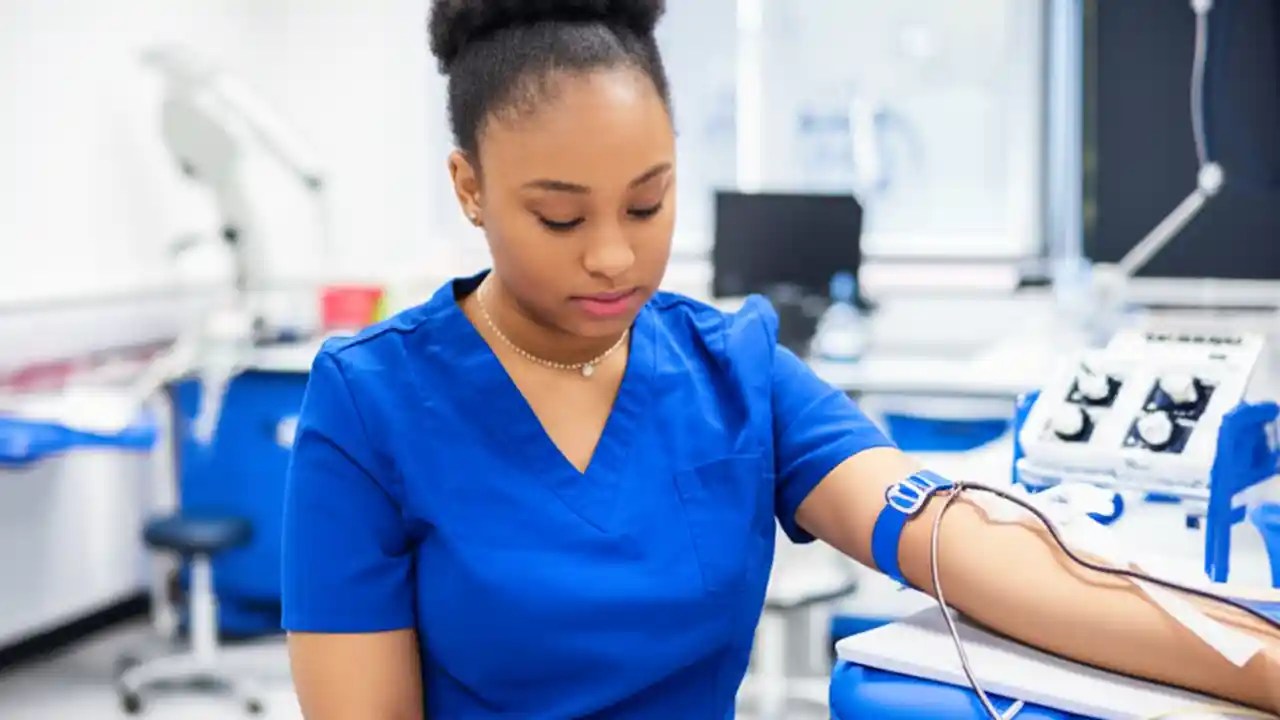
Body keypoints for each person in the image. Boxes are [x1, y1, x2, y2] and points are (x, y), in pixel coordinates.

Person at [281, 1, 1280, 717]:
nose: (613, 255)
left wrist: (1253, 662)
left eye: (647, 201)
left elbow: (955, 537)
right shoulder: (372, 403)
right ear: (468, 187)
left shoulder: (732, 368)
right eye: (557, 214)